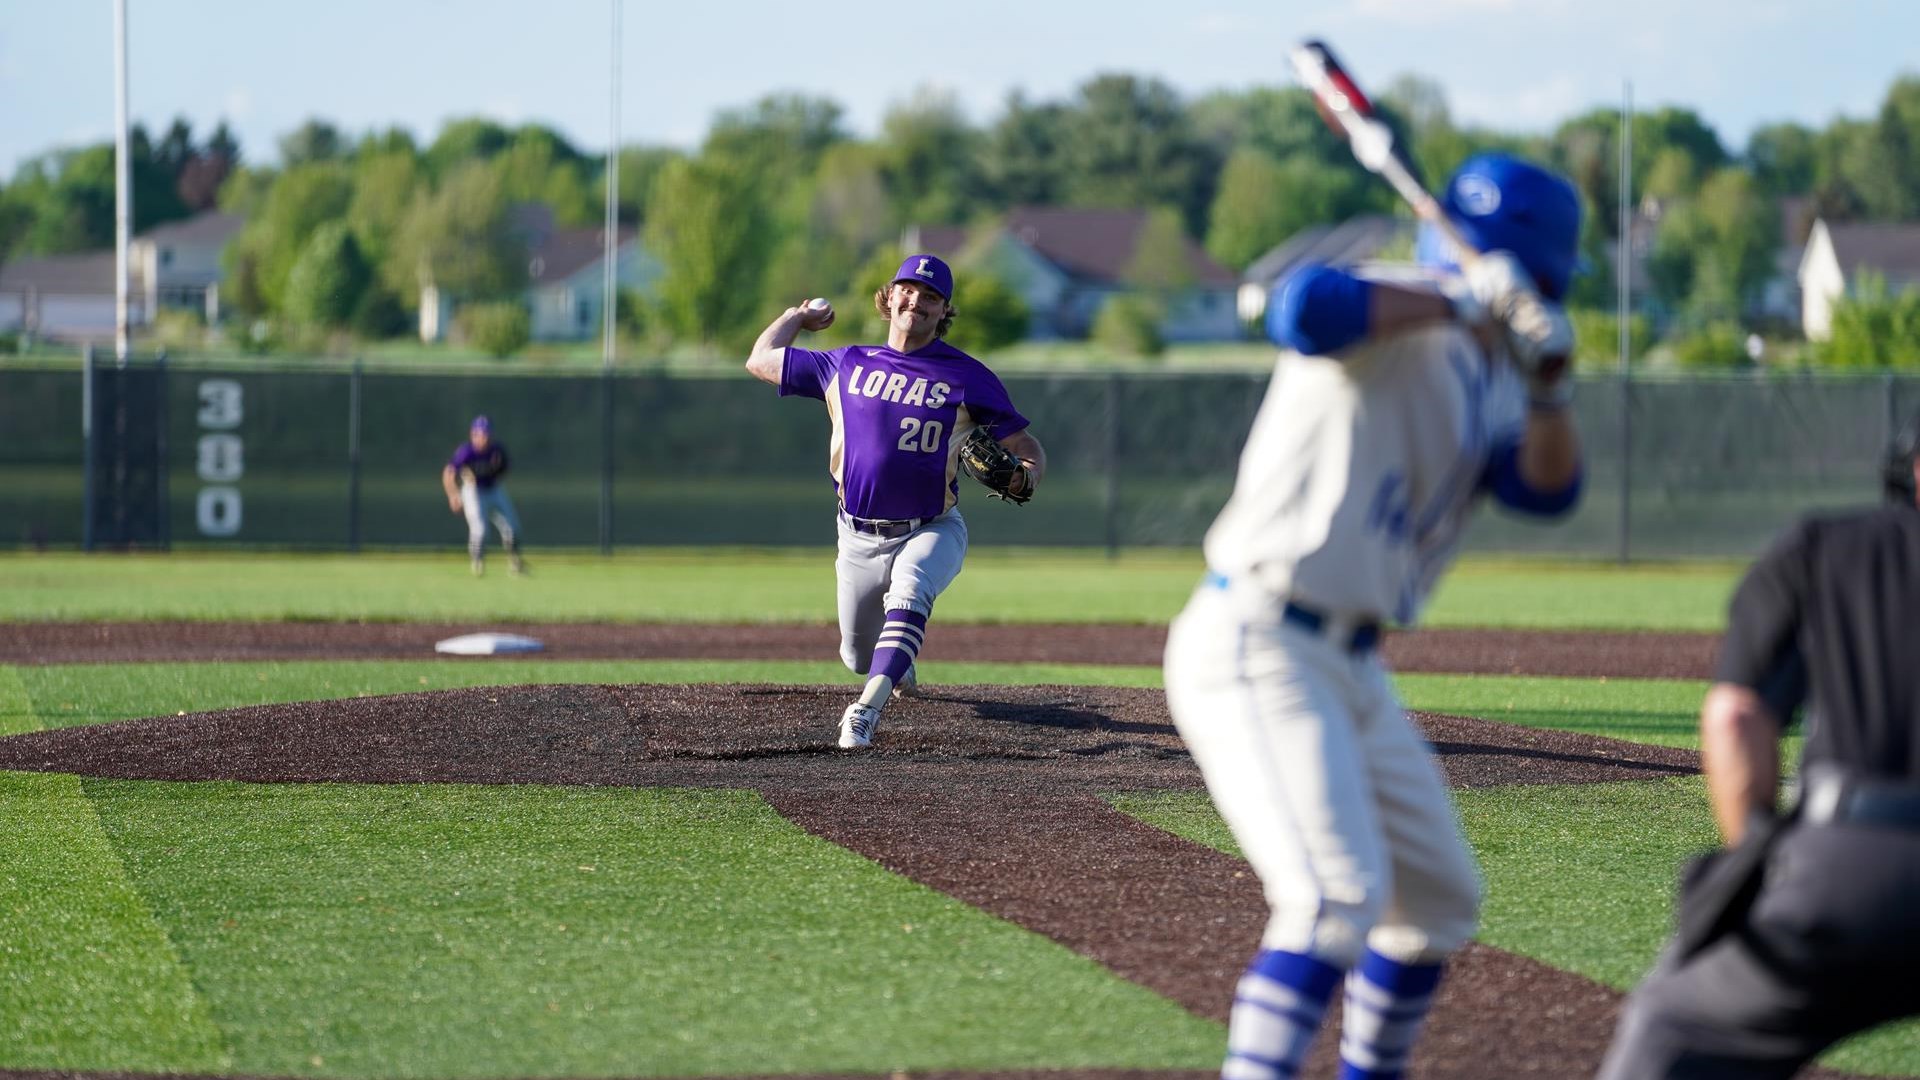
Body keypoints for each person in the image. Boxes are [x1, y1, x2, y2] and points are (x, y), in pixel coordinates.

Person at [1161, 153, 1587, 1080]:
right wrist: (1455, 300)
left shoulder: (1503, 368)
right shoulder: (1396, 305)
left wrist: (1551, 379)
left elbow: (1548, 490)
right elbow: (1299, 310)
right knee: (1329, 901)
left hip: (1355, 665)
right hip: (1258, 635)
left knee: (1435, 904)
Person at [1595, 412, 1920, 1079]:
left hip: (1849, 872)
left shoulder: (1826, 544)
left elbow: (1734, 717)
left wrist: (1756, 859)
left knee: (1672, 1025)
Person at [744, 254, 1046, 749]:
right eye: (908, 290)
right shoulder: (846, 363)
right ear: (890, 297)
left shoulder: (967, 376)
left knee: (910, 593)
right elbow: (760, 359)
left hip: (931, 526)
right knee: (857, 658)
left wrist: (1027, 477)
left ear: (943, 310)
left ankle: (864, 712)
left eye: (930, 296)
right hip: (857, 533)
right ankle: (893, 663)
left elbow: (1026, 448)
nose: (917, 302)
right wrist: (796, 317)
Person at [442, 414, 526, 577]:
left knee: (513, 529)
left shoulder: (497, 451)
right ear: (473, 434)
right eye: (479, 434)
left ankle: (515, 562)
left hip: (493, 489)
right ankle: (477, 563)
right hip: (473, 491)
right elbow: (448, 473)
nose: (483, 438)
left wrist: (490, 473)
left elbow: (503, 469)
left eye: (486, 434)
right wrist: (453, 495)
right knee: (480, 531)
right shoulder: (466, 452)